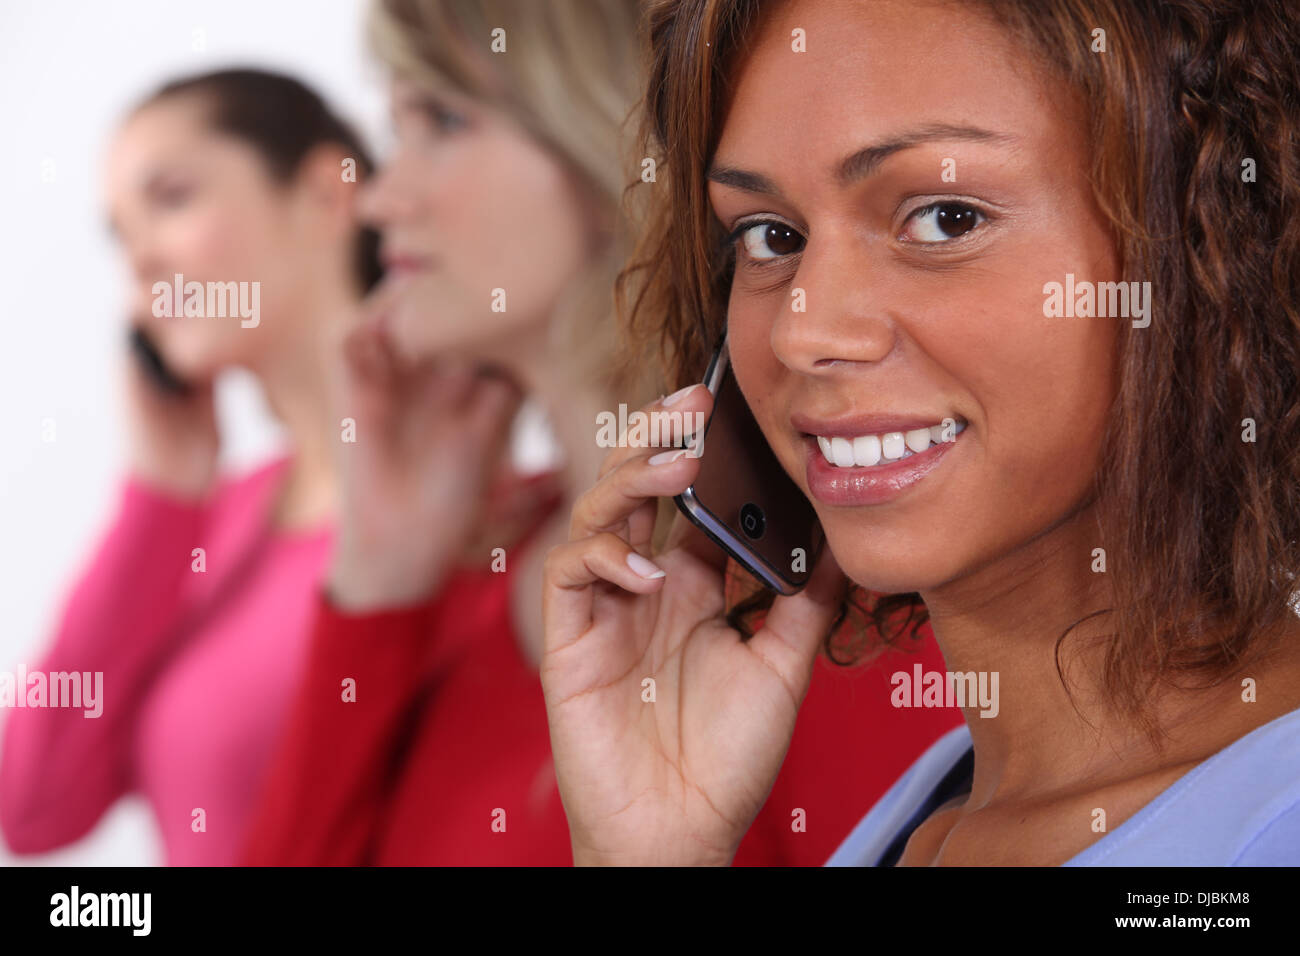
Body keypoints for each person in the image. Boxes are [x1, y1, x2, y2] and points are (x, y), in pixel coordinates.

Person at [540, 0, 1300, 865]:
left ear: (1214, 243)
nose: (804, 333)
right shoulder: (932, 805)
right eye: (770, 236)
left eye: (945, 218)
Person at [241, 0, 958, 867]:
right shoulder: (464, 565)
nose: (383, 199)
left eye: (440, 119)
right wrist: (379, 570)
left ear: (605, 131)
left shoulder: (827, 588)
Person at [0, 69, 381, 865]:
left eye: (171, 198)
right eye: (120, 232)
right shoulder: (211, 525)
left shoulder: (482, 520)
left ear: (326, 193)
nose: (139, 260)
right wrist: (161, 498)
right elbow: (31, 808)